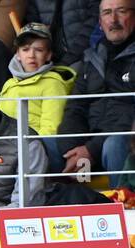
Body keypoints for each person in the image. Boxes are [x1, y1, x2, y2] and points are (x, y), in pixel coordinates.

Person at [57, 0, 135, 177]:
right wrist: (75, 149)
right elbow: (75, 107)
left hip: (118, 142)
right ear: (100, 21)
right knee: (44, 144)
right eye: (107, 13)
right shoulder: (91, 57)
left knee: (115, 145)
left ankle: (124, 202)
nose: (113, 19)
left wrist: (92, 148)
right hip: (88, 144)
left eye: (121, 11)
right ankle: (68, 200)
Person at [0, 21, 76, 141]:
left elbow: (50, 130)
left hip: (33, 150)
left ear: (48, 55)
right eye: (25, 49)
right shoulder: (9, 83)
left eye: (38, 50)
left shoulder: (53, 83)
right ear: (17, 54)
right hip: (4, 149)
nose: (31, 55)